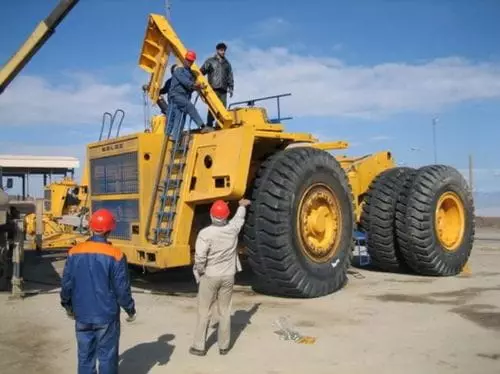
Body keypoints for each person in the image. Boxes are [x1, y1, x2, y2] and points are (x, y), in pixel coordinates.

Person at [60, 208, 136, 374]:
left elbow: (66, 284)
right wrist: (130, 309)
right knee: (107, 357)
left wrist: (67, 306)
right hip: (106, 316)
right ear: (110, 229)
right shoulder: (116, 255)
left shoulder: (74, 252)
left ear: (91, 227)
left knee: (85, 357)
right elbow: (122, 289)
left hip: (82, 314)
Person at [189, 198, 251, 357]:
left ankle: (199, 347)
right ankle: (224, 347)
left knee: (204, 311)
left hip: (210, 276)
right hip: (228, 276)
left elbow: (200, 258)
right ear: (226, 216)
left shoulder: (205, 233)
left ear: (211, 215)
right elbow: (238, 219)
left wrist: (201, 272)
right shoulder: (232, 230)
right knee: (225, 311)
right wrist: (242, 206)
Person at [168, 50, 211, 138]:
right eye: (188, 60)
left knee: (181, 118)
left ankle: (176, 139)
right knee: (189, 106)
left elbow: (191, 86)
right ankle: (202, 126)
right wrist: (195, 85)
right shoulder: (179, 71)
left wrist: (199, 86)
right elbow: (187, 83)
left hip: (184, 97)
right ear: (185, 59)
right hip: (176, 95)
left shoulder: (191, 74)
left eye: (191, 61)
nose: (189, 62)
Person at [200, 42, 234, 129]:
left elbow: (230, 76)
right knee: (213, 107)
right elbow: (201, 72)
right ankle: (209, 124)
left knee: (223, 108)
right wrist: (200, 83)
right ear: (217, 50)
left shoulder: (227, 64)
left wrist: (231, 87)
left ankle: (220, 124)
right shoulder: (210, 61)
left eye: (224, 50)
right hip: (213, 88)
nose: (223, 52)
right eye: (221, 50)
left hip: (223, 89)